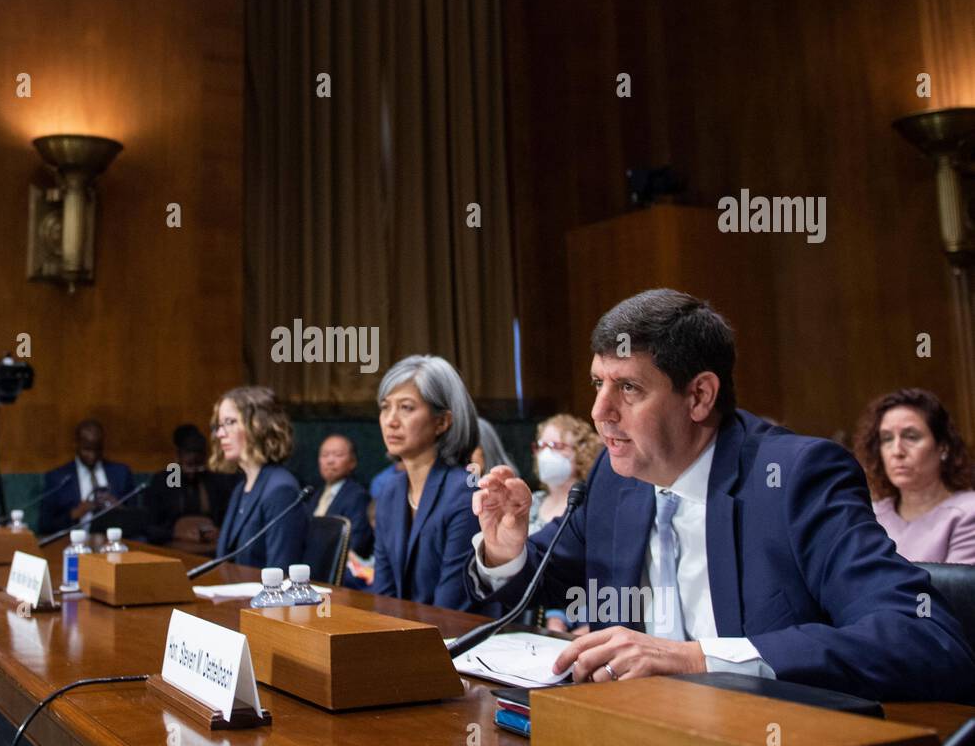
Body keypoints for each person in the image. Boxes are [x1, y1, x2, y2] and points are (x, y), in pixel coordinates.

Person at [468, 288, 975, 702]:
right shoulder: (616, 479)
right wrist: (506, 549)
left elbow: (925, 639)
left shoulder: (796, 479)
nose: (600, 411)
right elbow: (540, 586)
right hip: (629, 739)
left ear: (699, 396)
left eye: (628, 389)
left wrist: (696, 658)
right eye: (597, 383)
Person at [372, 355, 480, 610]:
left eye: (406, 407)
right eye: (386, 407)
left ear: (442, 422)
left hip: (459, 643)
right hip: (403, 639)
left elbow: (451, 608)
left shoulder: (466, 493)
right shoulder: (390, 492)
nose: (391, 420)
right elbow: (384, 596)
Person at [854, 388, 975, 564]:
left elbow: (956, 590)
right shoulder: (869, 513)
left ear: (943, 447)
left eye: (911, 437)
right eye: (887, 439)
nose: (897, 451)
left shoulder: (968, 511)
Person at [209, 386, 309, 570]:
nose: (220, 434)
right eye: (219, 425)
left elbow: (281, 572)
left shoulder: (281, 490)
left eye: (230, 422)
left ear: (259, 426)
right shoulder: (241, 488)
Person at [526, 413, 602, 632]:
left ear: (581, 452)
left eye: (556, 446)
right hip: (529, 621)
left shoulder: (588, 507)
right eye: (541, 446)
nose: (546, 453)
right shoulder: (531, 502)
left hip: (580, 624)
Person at [142, 424, 237, 546]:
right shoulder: (169, 478)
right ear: (178, 458)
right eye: (189, 465)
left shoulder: (215, 481)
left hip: (211, 548)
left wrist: (220, 532)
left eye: (198, 465)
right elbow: (149, 527)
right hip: (173, 547)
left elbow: (228, 521)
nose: (193, 471)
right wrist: (176, 534)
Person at [40, 419, 134, 535]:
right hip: (74, 543)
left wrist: (118, 508)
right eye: (87, 449)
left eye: (97, 449)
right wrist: (75, 513)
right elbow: (44, 525)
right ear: (76, 444)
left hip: (114, 541)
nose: (93, 456)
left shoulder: (121, 473)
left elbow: (137, 518)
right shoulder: (58, 478)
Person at [314, 434, 375, 586]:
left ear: (352, 462)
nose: (330, 461)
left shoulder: (357, 496)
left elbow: (355, 544)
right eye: (324, 455)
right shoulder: (314, 495)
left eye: (338, 455)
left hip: (337, 578)